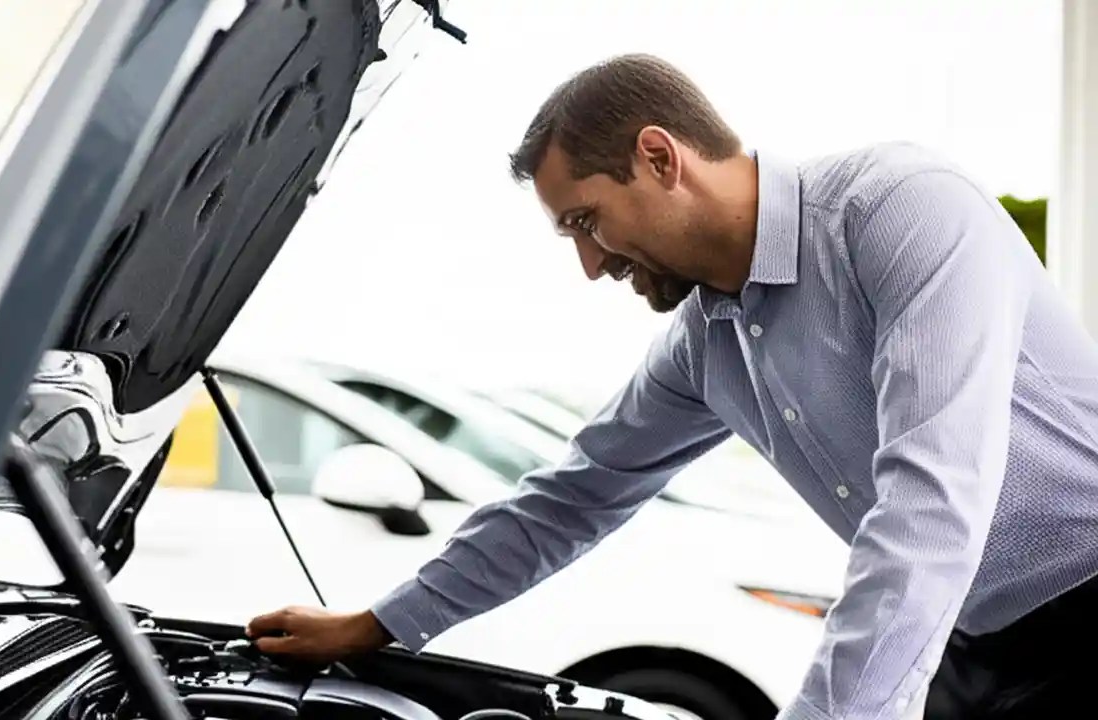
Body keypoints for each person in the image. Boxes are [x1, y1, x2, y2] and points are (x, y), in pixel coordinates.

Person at [246, 53, 1098, 719]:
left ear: (659, 157)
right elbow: (568, 500)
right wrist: (377, 624)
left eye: (585, 220)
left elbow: (931, 499)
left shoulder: (901, 211)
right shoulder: (705, 343)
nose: (589, 265)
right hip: (970, 638)